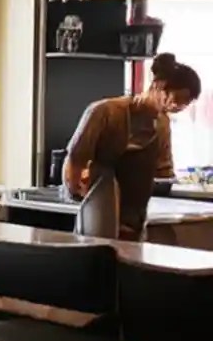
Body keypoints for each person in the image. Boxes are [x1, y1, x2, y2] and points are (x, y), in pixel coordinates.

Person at [63, 52, 202, 240]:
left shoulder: (162, 124)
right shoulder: (105, 112)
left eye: (185, 103)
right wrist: (79, 192)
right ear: (158, 85)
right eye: (177, 97)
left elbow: (163, 172)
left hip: (134, 219)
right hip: (98, 214)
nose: (178, 106)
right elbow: (75, 158)